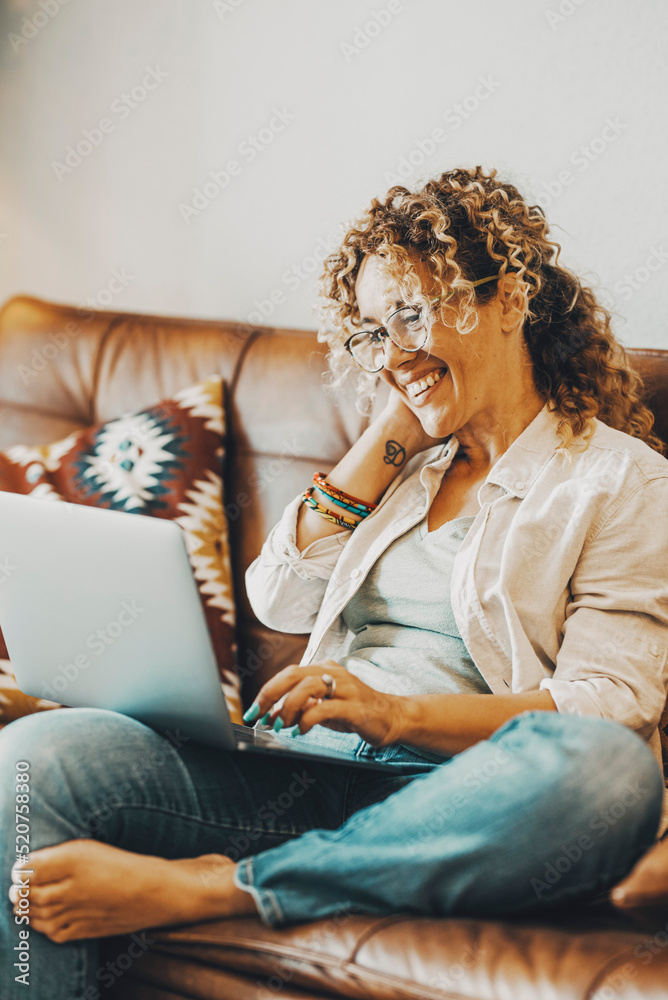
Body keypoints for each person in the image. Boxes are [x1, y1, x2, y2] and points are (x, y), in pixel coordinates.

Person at [2, 166, 667, 1000]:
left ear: (509, 298)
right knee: (33, 760)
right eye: (372, 333)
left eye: (413, 315)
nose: (392, 353)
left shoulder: (619, 481)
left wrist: (397, 715)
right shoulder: (408, 466)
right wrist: (395, 421)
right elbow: (276, 598)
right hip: (298, 769)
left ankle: (223, 887)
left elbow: (610, 704)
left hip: (458, 796)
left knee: (609, 772)